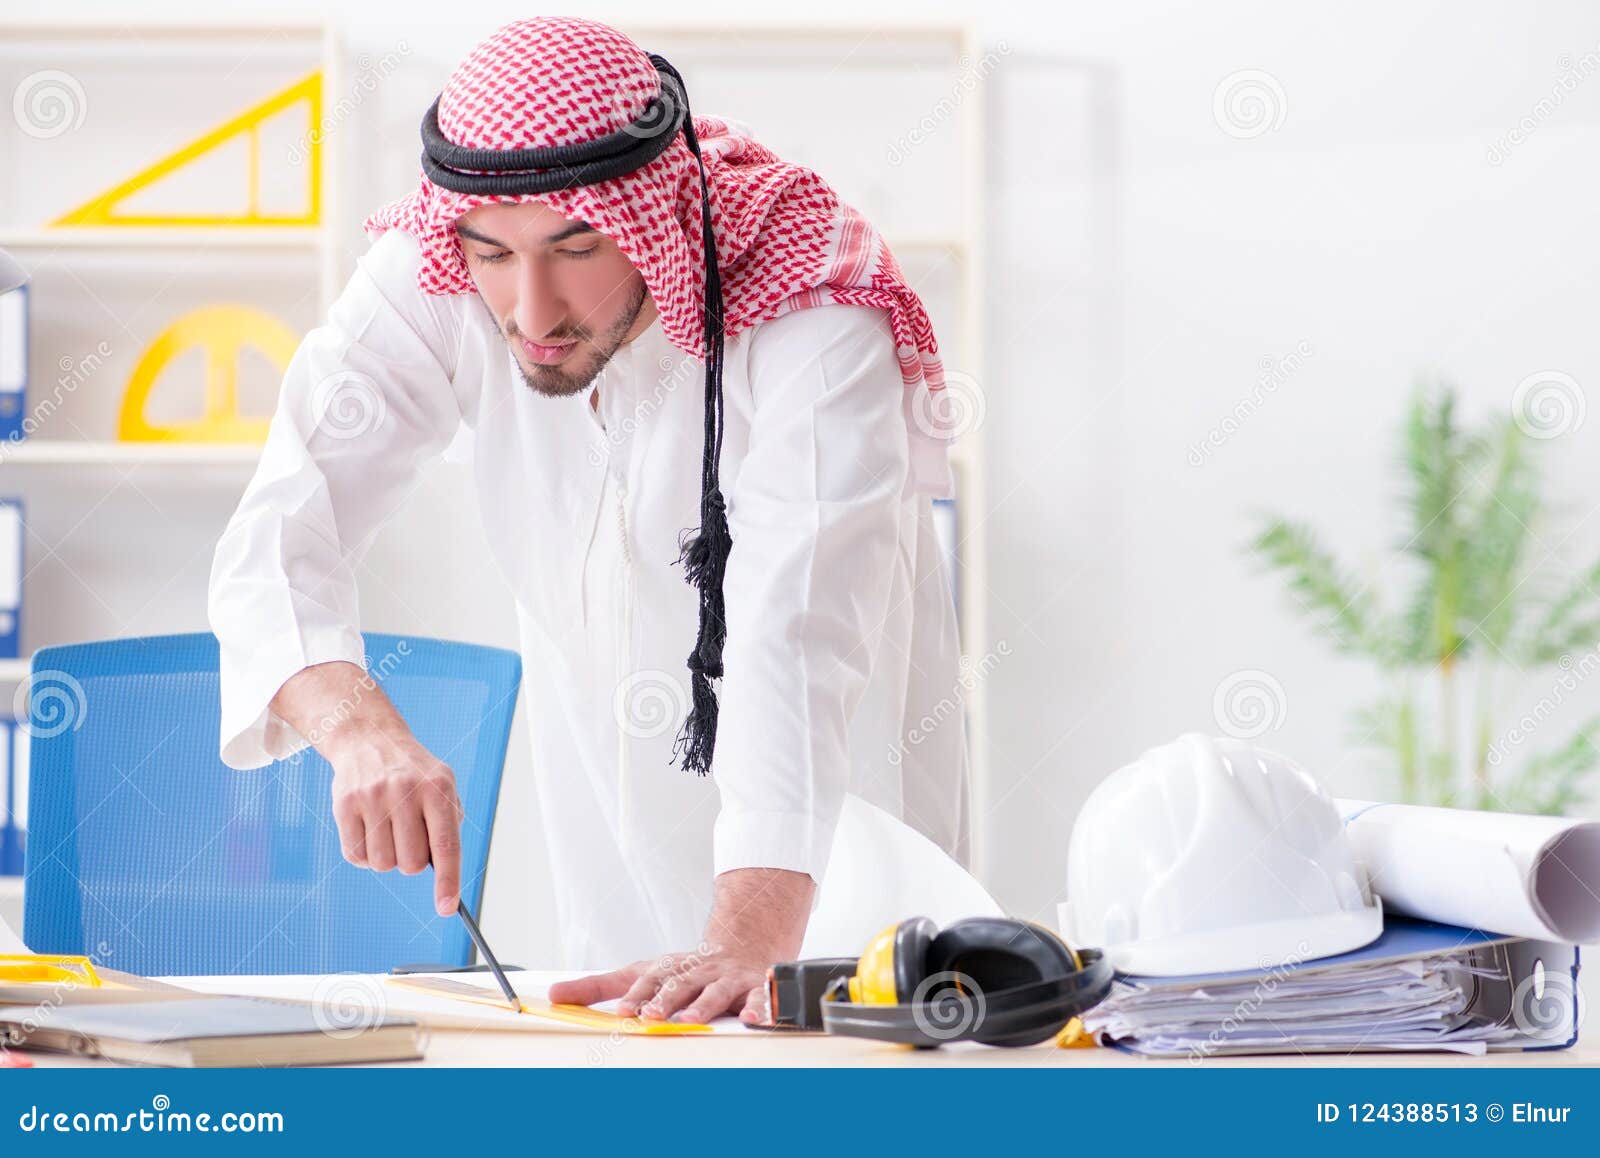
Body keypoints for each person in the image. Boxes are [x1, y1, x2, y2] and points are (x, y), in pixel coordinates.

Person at [208, 16, 970, 1025]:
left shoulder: (811, 318)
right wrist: (357, 729)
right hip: (609, 865)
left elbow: (796, 635)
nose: (531, 310)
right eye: (493, 255)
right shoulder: (437, 277)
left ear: (651, 214)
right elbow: (279, 530)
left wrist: (749, 939)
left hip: (830, 874)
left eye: (577, 248)